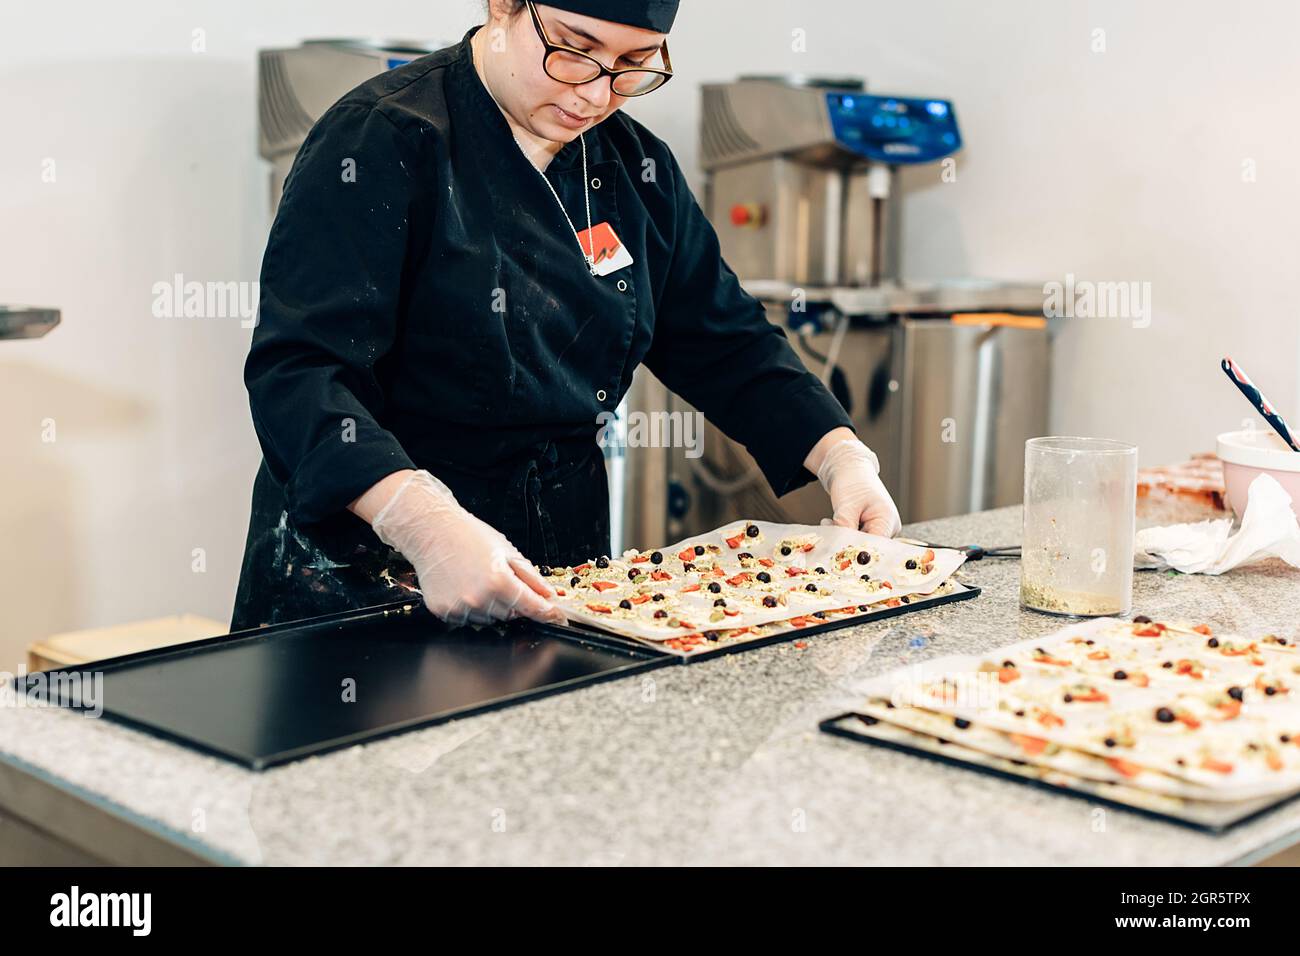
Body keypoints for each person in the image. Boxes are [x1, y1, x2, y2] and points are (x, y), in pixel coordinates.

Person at [231, 0, 901, 631]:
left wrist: (840, 456)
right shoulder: (384, 139)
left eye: (634, 64)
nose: (596, 93)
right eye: (574, 52)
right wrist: (422, 521)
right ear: (503, 6)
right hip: (368, 566)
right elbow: (302, 372)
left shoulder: (635, 168)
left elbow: (725, 340)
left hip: (562, 554)